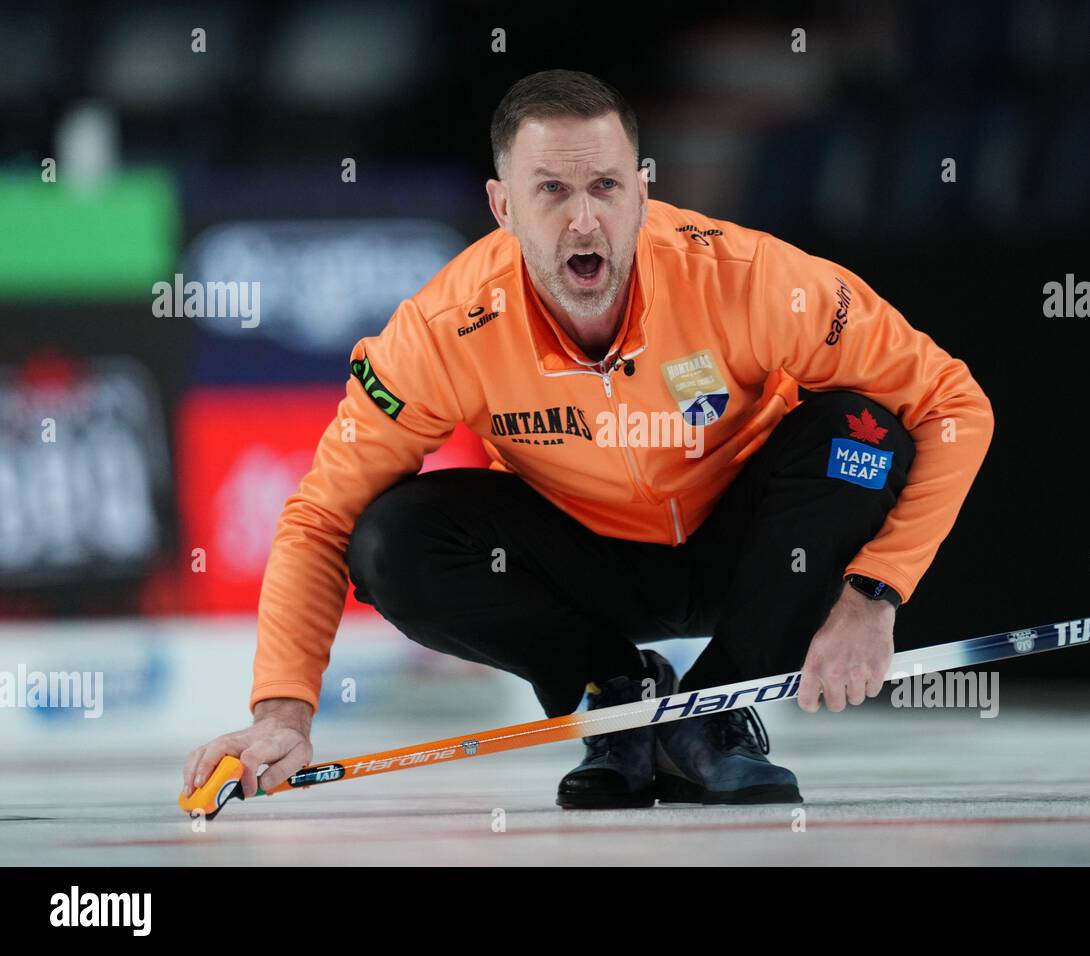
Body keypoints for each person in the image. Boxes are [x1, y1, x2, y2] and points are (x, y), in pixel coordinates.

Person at [182, 68, 994, 810]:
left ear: (643, 191)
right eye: (552, 191)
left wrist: (874, 594)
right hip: (584, 568)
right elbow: (320, 517)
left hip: (749, 552)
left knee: (864, 432)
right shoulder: (442, 329)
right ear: (503, 207)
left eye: (606, 186)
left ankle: (714, 717)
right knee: (388, 539)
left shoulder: (753, 282)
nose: (584, 220)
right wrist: (280, 714)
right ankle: (616, 697)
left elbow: (954, 404)